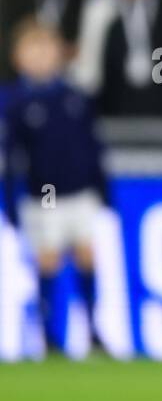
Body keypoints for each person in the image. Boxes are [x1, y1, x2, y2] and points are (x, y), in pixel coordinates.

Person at [2, 21, 106, 356]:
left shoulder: (75, 97)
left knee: (87, 255)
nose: (42, 57)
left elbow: (93, 147)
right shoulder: (16, 103)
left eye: (47, 48)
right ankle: (48, 336)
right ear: (19, 58)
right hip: (42, 197)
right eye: (34, 50)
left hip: (79, 193)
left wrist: (102, 189)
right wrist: (12, 201)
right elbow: (11, 157)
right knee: (47, 260)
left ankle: (92, 330)